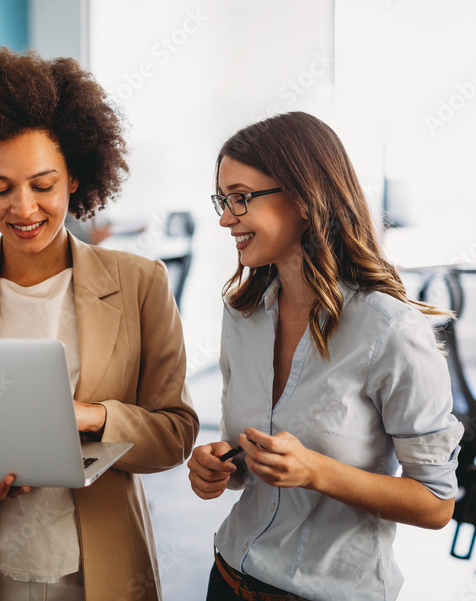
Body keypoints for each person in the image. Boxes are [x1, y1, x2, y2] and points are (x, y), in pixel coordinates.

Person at [0, 46, 199, 601]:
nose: (22, 208)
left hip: (103, 570)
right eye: (0, 188)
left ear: (75, 179)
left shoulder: (141, 284)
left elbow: (176, 433)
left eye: (43, 185)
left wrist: (89, 417)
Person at [187, 112, 462, 601]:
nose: (226, 218)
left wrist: (316, 471)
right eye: (223, 201)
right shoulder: (242, 315)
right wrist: (220, 466)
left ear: (305, 198)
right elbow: (247, 455)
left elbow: (436, 503)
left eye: (241, 199)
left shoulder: (390, 330)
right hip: (227, 579)